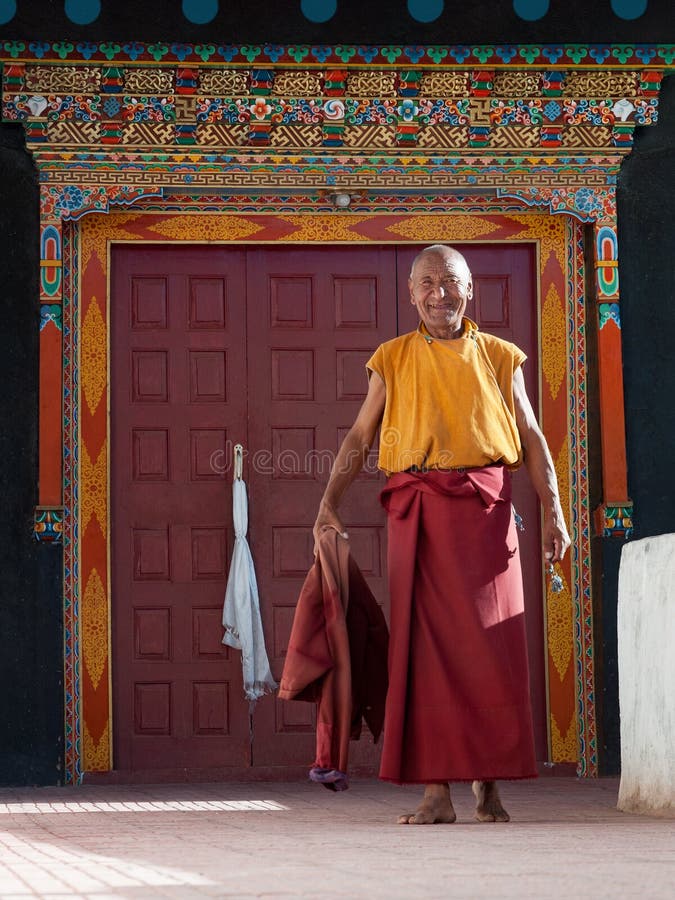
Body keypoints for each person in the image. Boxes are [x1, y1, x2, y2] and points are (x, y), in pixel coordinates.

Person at [312, 244, 570, 825]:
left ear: (469, 289)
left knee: (491, 650)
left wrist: (554, 510)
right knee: (422, 652)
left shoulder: (502, 357)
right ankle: (436, 793)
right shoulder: (394, 357)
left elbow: (530, 436)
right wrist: (327, 503)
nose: (438, 293)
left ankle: (489, 784)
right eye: (426, 283)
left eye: (449, 281)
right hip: (420, 512)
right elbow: (359, 436)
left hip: (484, 513)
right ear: (410, 294)